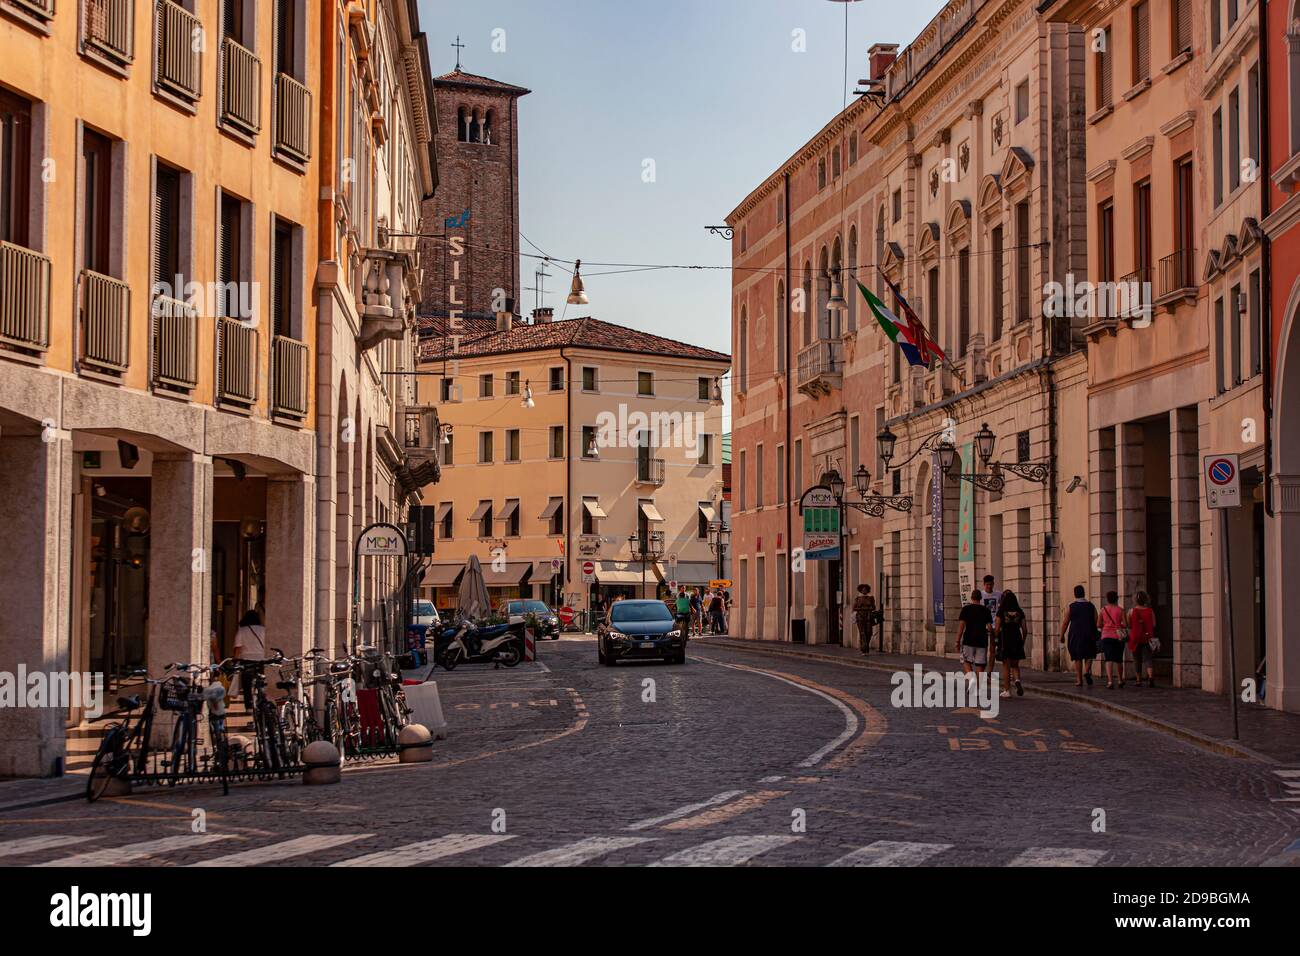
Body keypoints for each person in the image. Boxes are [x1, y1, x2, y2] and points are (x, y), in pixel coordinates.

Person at [1060, 585, 1101, 687]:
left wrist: (1062, 635)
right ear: (1084, 593)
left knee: (1077, 657)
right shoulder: (1091, 606)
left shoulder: (1070, 606)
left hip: (1075, 634)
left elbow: (1065, 622)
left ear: (1075, 594)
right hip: (1089, 633)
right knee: (1089, 654)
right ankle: (1086, 671)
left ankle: (1079, 680)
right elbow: (1096, 620)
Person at [994, 589, 1028, 698]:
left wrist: (995, 638)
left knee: (1006, 666)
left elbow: (997, 628)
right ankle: (1017, 680)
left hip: (1005, 639)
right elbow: (1025, 629)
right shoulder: (1020, 612)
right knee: (1015, 664)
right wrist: (1022, 641)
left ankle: (1007, 690)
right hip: (1017, 638)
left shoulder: (1001, 611)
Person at [232, 609, 267, 705]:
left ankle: (249, 705)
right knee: (262, 681)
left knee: (247, 683)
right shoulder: (263, 630)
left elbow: (238, 647)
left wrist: (235, 659)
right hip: (261, 660)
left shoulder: (242, 630)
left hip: (246, 660)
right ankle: (262, 702)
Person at [956, 589, 994, 677]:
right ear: (980, 598)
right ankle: (976, 686)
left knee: (966, 661)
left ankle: (971, 678)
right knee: (980, 664)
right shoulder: (986, 610)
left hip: (969, 639)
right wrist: (992, 636)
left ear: (972, 598)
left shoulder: (966, 609)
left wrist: (957, 641)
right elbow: (989, 627)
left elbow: (961, 626)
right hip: (982, 640)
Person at [1128, 590, 1157, 687]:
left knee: (1137, 659)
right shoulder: (1150, 611)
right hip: (1147, 636)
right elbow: (1153, 624)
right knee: (1148, 658)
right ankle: (1151, 676)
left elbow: (1129, 624)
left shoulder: (1132, 611)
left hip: (1135, 637)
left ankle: (1138, 680)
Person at [852, 584, 878, 656]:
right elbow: (854, 608)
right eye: (863, 589)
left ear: (867, 590)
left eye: (865, 589)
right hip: (860, 617)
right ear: (861, 591)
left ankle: (866, 646)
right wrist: (862, 609)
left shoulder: (871, 598)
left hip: (869, 617)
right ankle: (864, 649)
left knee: (869, 632)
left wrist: (869, 609)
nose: (864, 590)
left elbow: (874, 607)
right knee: (862, 633)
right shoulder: (857, 599)